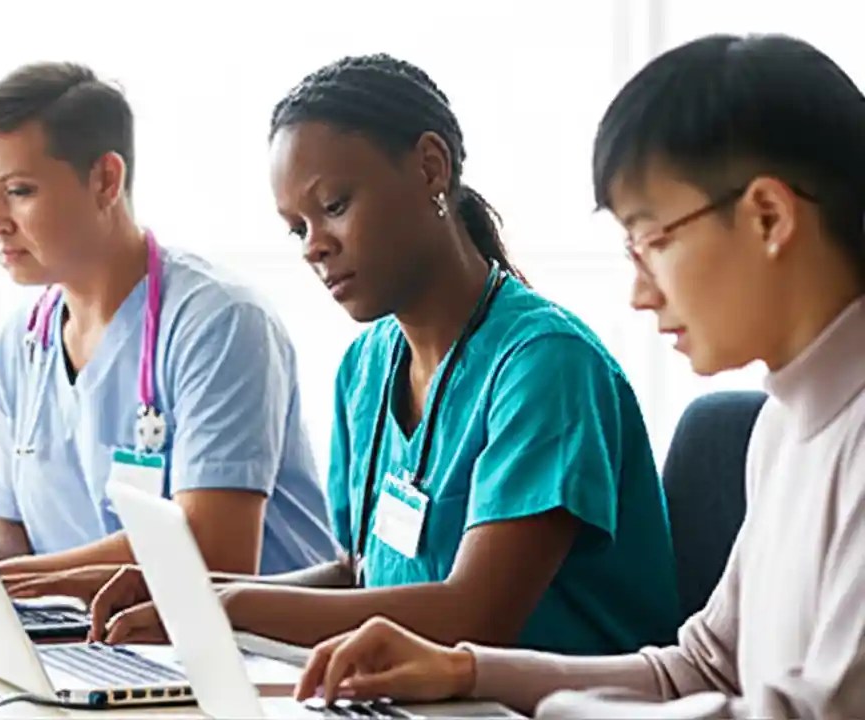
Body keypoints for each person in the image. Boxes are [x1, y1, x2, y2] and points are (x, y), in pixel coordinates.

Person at [294, 34, 865, 720]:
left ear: (768, 217)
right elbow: (703, 667)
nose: (639, 293)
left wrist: (568, 713)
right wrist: (464, 669)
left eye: (653, 240)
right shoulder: (786, 422)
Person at [80, 53, 679, 656]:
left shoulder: (545, 366)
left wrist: (221, 605)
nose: (315, 247)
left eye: (335, 207)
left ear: (429, 168)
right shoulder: (365, 368)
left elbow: (473, 615)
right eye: (298, 228)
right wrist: (189, 589)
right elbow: (359, 576)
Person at [0, 61, 338, 585]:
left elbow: (215, 554)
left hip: (253, 654)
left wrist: (14, 584)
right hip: (87, 646)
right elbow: (12, 536)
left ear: (105, 180)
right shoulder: (22, 343)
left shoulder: (220, 323)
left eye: (20, 191)